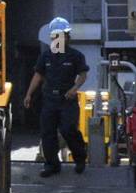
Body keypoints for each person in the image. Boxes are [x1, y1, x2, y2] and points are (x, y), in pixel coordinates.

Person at [24, 16, 89, 177]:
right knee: (48, 132)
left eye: (62, 35)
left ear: (67, 37)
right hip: (49, 100)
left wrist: (75, 88)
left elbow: (83, 75)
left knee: (68, 129)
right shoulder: (45, 56)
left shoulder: (76, 56)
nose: (58, 38)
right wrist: (29, 94)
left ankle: (80, 158)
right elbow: (38, 76)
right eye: (55, 36)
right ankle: (52, 165)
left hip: (67, 100)